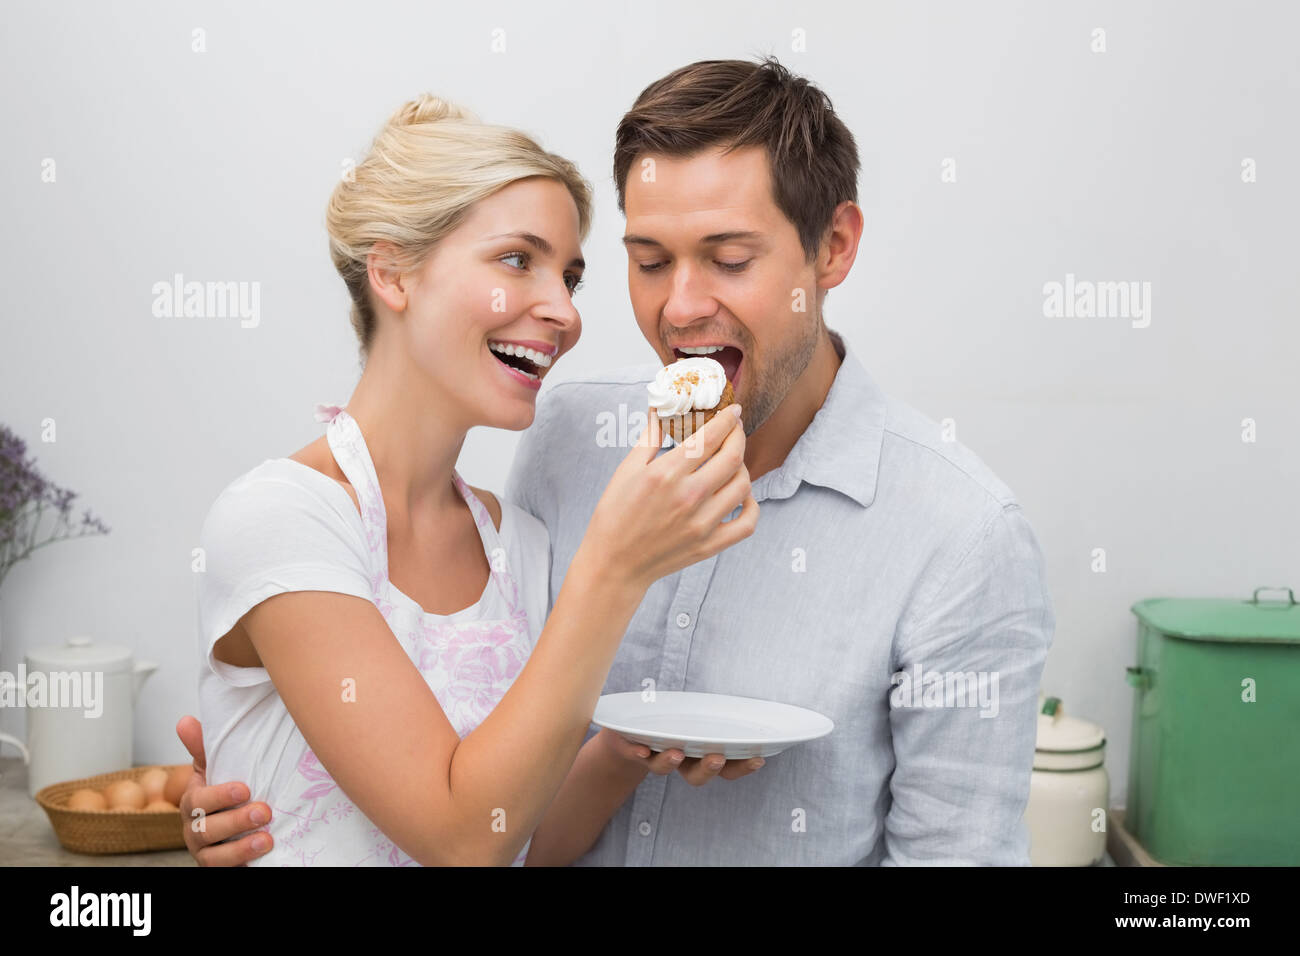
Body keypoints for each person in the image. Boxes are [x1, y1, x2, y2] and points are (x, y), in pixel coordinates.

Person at [184, 56, 1055, 866]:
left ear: (832, 248)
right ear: (393, 274)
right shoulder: (566, 439)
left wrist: (618, 752)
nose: (679, 307)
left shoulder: (962, 537)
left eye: (729, 258)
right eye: (647, 262)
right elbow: (472, 809)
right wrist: (271, 780)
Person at [184, 93, 758, 866]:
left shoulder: (516, 542)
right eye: (518, 260)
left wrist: (626, 751)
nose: (563, 311)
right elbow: (458, 836)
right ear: (392, 272)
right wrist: (616, 567)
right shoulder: (283, 519)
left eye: (572, 277)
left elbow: (515, 839)